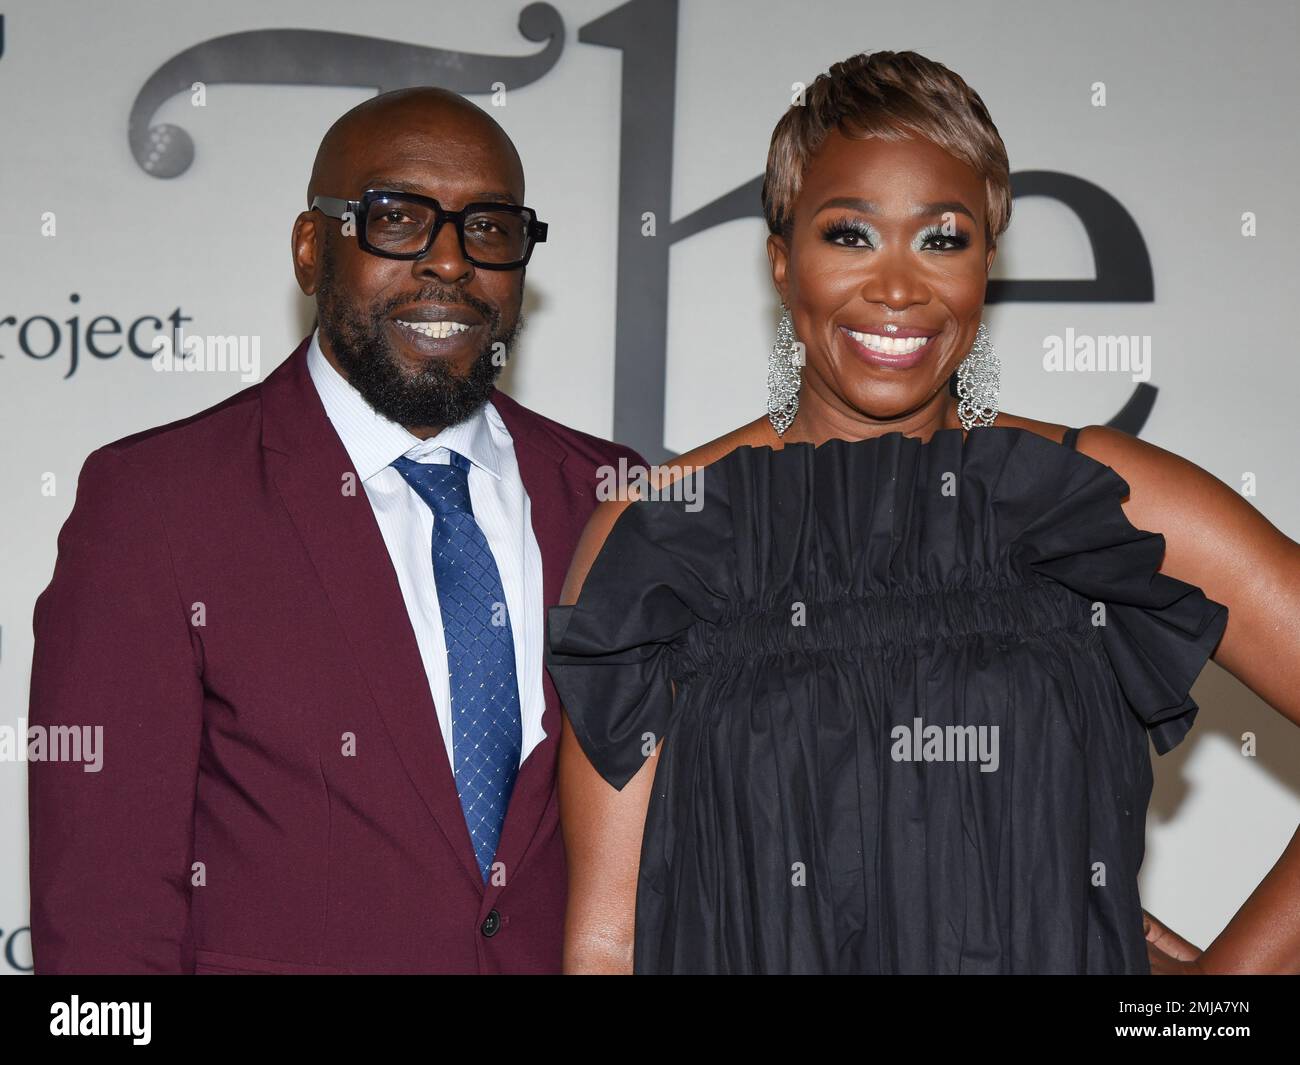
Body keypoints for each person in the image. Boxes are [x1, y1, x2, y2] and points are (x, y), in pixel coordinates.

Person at [545, 51, 1300, 974]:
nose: (899, 288)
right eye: (850, 235)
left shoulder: (1096, 497)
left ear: (989, 263)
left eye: (944, 238)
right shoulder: (669, 532)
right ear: (782, 264)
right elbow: (608, 941)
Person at [27, 87, 645, 974]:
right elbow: (100, 922)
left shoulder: (612, 496)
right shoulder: (156, 505)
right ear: (312, 247)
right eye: (397, 219)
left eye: (490, 228)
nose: (449, 262)